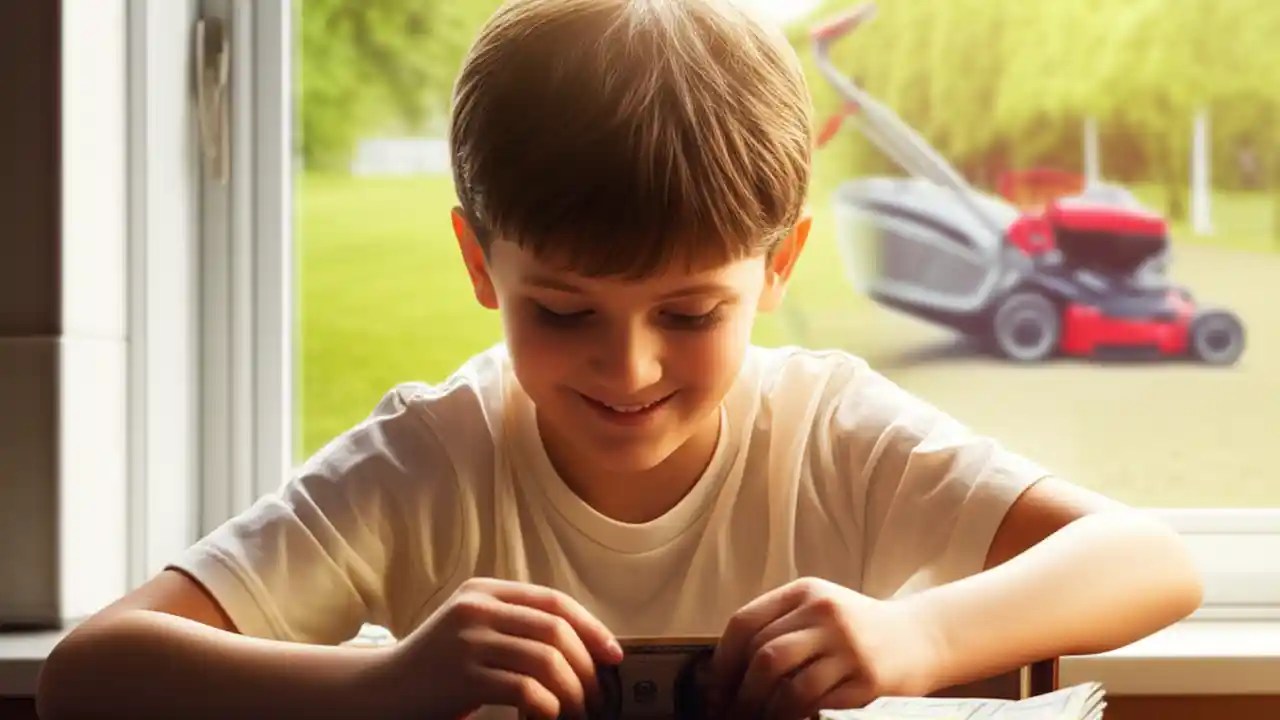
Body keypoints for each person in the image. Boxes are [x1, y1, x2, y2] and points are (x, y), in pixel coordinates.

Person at [36, 1, 1202, 719]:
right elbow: (88, 677)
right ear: (480, 263)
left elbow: (1147, 560)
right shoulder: (425, 458)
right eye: (562, 310)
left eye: (689, 315)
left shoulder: (829, 430)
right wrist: (385, 687)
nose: (629, 367)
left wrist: (918, 635)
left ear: (778, 266)